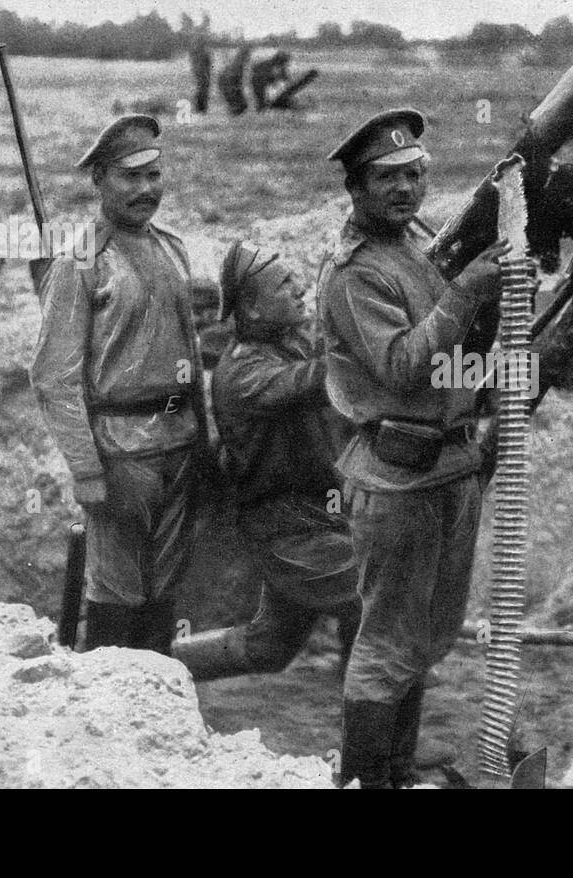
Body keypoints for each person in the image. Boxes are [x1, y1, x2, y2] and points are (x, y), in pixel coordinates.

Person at [317, 108, 508, 788]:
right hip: (397, 477)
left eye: (414, 175)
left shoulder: (411, 246)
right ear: (357, 189)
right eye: (386, 178)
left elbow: (457, 347)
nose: (404, 189)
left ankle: (395, 772)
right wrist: (467, 290)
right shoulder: (356, 272)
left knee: (425, 638)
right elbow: (402, 367)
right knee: (386, 644)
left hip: (447, 466)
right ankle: (367, 779)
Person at [30, 114, 208, 654]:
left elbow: (194, 351)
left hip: (179, 442)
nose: (146, 189)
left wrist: (205, 434)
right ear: (100, 181)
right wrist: (85, 468)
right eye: (130, 178)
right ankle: (112, 709)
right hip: (120, 452)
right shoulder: (80, 262)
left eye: (154, 175)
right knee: (117, 591)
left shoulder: (174, 249)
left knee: (166, 591)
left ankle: (157, 705)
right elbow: (53, 378)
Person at [172, 241, 361, 677]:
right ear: (253, 309)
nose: (298, 291)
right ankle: (371, 711)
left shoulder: (284, 342)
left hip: (312, 521)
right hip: (289, 532)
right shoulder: (243, 373)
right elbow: (315, 379)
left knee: (269, 648)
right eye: (284, 286)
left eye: (296, 281)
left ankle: (158, 664)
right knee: (374, 598)